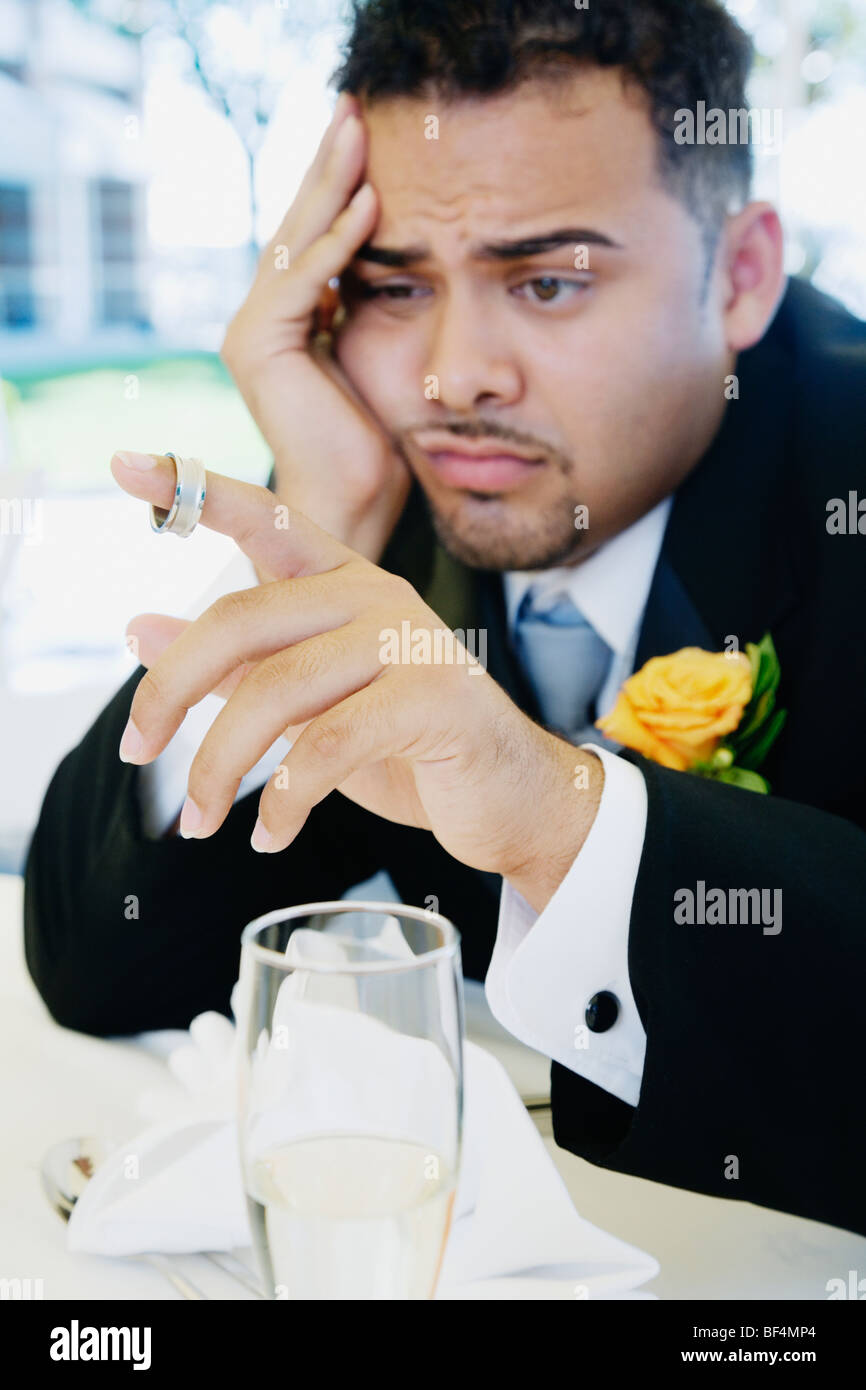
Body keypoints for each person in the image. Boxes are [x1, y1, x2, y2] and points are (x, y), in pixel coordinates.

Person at [24, 0, 866, 1237]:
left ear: (736, 277)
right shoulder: (392, 472)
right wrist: (330, 509)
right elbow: (101, 962)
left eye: (547, 281)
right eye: (391, 284)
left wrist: (552, 813)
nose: (455, 375)